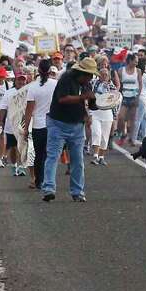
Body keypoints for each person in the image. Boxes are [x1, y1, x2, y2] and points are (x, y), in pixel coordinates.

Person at [41, 56, 97, 203]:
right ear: (81, 73)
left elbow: (91, 105)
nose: (90, 78)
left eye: (92, 75)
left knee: (78, 160)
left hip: (77, 125)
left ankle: (77, 192)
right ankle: (48, 189)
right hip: (57, 123)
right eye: (89, 75)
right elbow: (62, 99)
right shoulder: (66, 78)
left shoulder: (87, 84)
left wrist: (95, 102)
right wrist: (83, 97)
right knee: (53, 156)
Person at [22, 62, 56, 189]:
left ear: (38, 71)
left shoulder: (33, 87)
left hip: (38, 125)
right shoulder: (55, 84)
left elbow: (29, 110)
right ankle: (47, 180)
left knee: (39, 154)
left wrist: (26, 128)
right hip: (52, 123)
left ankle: (39, 181)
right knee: (49, 154)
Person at [88, 65, 116, 166]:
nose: (104, 76)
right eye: (102, 74)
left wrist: (115, 115)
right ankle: (95, 156)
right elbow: (89, 98)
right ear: (98, 75)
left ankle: (101, 157)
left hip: (107, 114)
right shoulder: (93, 84)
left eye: (106, 75)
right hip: (95, 112)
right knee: (96, 133)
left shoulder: (112, 87)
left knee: (105, 137)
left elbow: (115, 101)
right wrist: (89, 113)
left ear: (109, 76)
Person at [116, 53, 142, 147]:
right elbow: (117, 83)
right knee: (121, 117)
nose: (137, 62)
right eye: (135, 60)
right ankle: (123, 133)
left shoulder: (138, 71)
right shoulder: (121, 70)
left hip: (134, 96)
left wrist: (138, 96)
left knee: (132, 120)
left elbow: (140, 84)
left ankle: (131, 138)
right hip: (124, 97)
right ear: (130, 61)